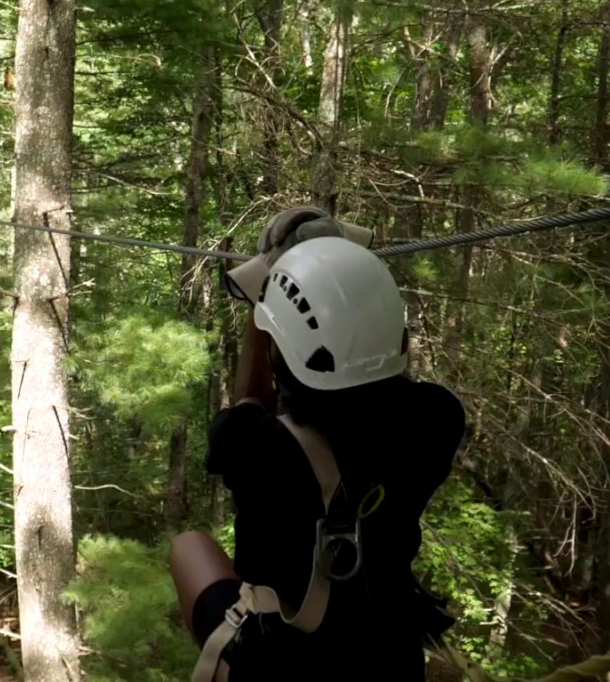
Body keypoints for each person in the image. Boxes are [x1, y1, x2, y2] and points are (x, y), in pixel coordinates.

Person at [170, 209, 467, 681]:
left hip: (279, 663)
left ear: (276, 343)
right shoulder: (436, 420)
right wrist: (348, 284)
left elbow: (252, 399)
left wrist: (268, 290)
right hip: (387, 654)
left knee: (188, 546)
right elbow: (379, 365)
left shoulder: (253, 446)